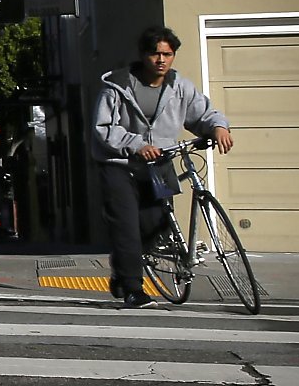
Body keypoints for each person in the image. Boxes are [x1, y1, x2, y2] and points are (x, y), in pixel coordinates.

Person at [93, 25, 235, 308]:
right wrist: (136, 144)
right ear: (143, 55)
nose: (161, 60)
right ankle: (134, 289)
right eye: (155, 54)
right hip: (120, 163)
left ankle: (122, 271)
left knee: (155, 227)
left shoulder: (180, 87)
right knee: (127, 227)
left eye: (167, 54)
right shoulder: (118, 85)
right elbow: (104, 127)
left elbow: (202, 114)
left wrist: (218, 127)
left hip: (158, 164)